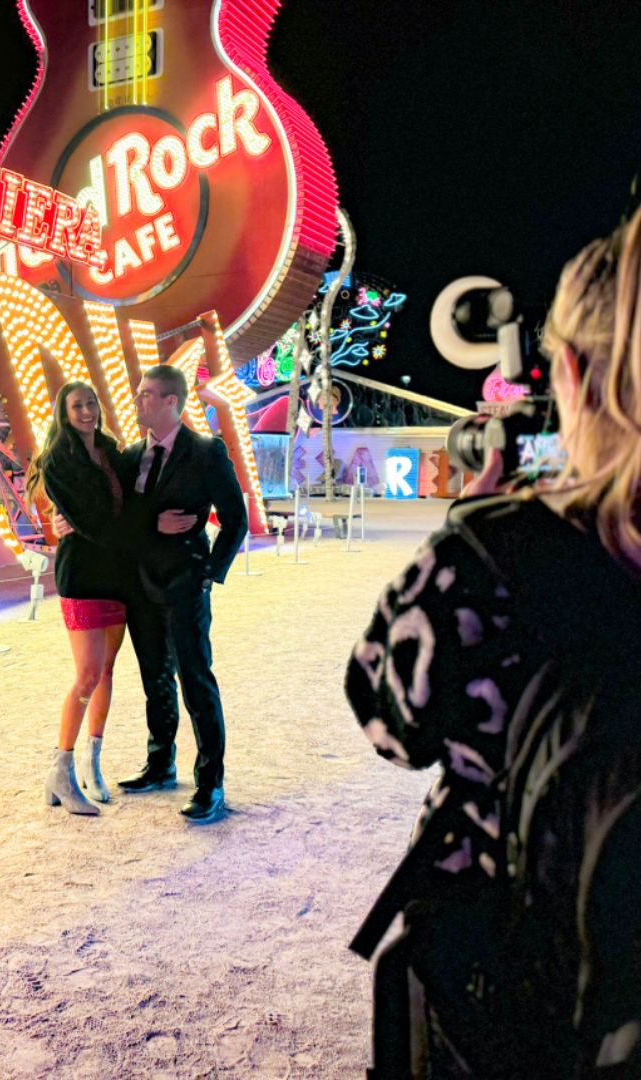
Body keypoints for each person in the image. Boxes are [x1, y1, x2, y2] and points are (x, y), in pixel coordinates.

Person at [346, 207, 641, 1077]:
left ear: (576, 376)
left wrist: (480, 513)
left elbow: (390, 723)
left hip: (513, 981)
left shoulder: (494, 557)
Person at [115, 364, 248, 823]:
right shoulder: (132, 455)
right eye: (139, 392)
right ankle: (160, 763)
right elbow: (122, 520)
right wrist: (149, 525)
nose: (138, 399)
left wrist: (211, 573)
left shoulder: (207, 451)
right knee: (155, 678)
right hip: (140, 584)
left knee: (195, 680)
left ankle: (210, 782)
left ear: (172, 401)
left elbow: (237, 518)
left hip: (185, 583)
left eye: (147, 393)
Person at [27, 381, 130, 816]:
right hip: (82, 571)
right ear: (63, 413)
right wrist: (130, 535)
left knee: (106, 670)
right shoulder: (57, 460)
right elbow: (89, 520)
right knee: (87, 674)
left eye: (90, 403)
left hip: (118, 572)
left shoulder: (113, 452)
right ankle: (61, 767)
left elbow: (133, 504)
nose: (86, 411)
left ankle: (92, 762)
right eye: (77, 406)